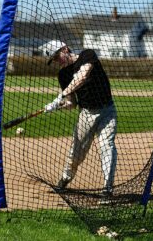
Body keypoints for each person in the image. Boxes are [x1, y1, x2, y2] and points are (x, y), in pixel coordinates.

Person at [44, 40, 117, 197]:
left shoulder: (87, 55)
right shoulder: (63, 74)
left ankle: (107, 189)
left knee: (107, 146)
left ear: (65, 49)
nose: (57, 62)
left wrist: (60, 96)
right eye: (54, 60)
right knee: (76, 154)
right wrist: (58, 105)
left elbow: (82, 76)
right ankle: (65, 178)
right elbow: (72, 103)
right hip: (86, 114)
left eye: (57, 57)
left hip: (107, 111)